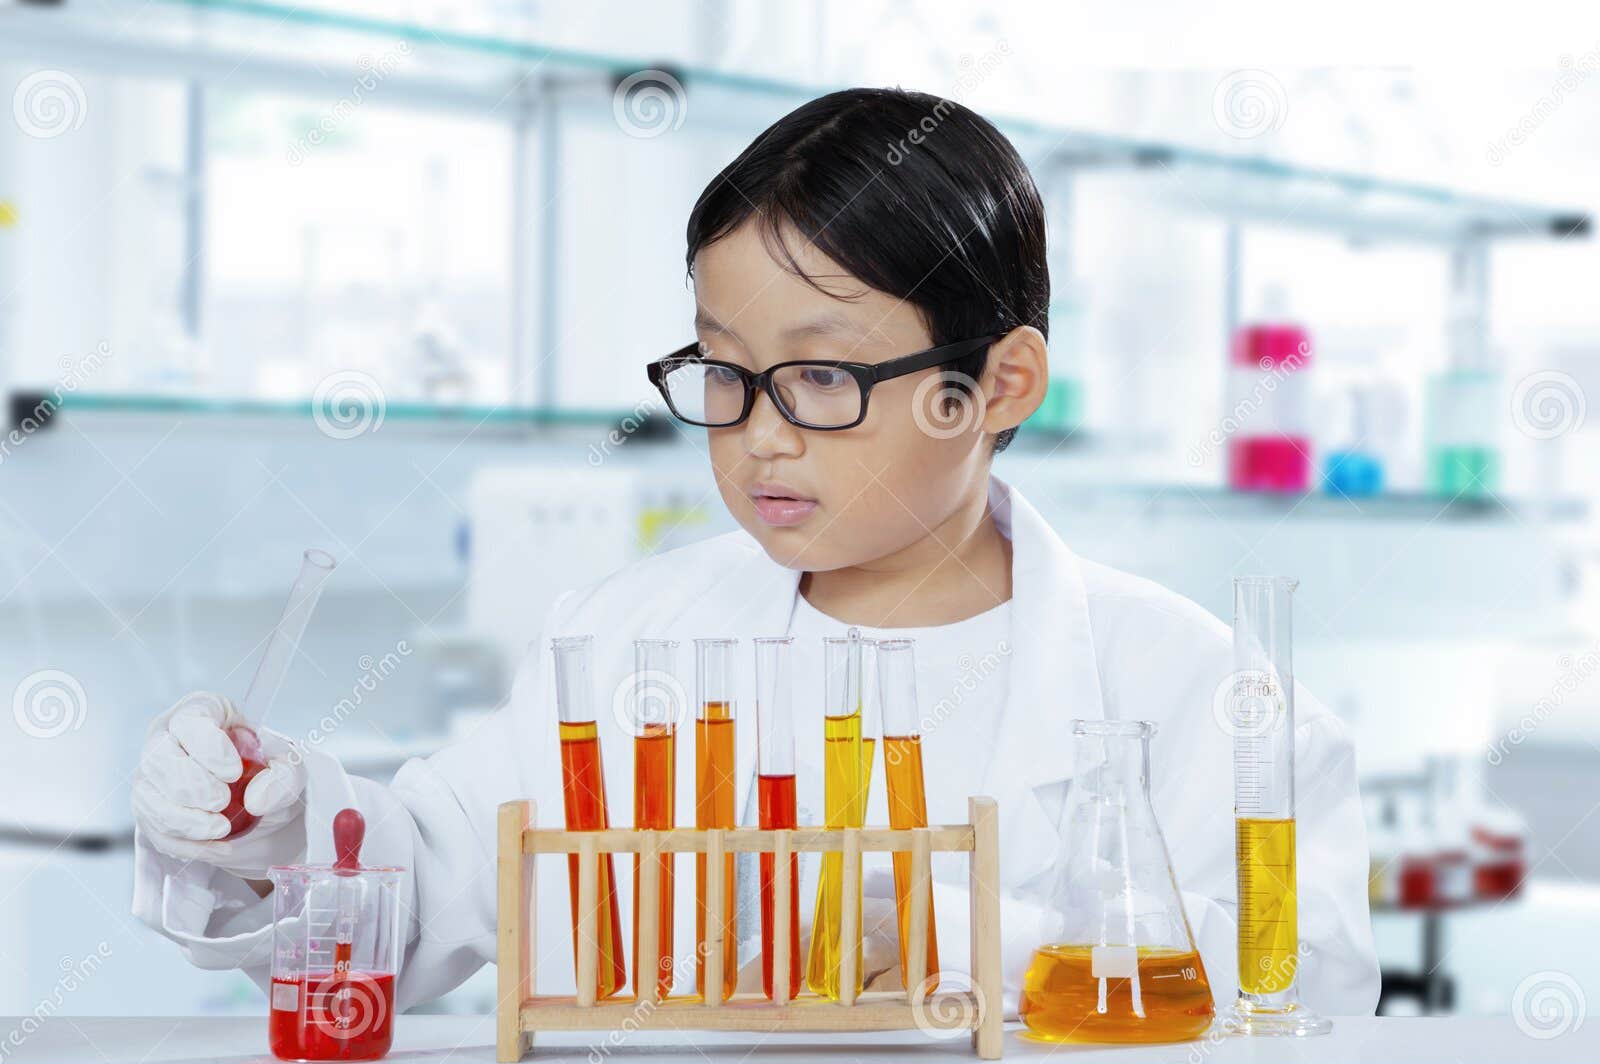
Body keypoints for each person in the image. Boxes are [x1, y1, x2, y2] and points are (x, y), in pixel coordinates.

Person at [132, 88, 1379, 1015]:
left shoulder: (1201, 693)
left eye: (823, 375)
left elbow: (1308, 996)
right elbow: (416, 893)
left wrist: (961, 935)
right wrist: (274, 824)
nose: (760, 435)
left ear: (998, 383)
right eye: (725, 370)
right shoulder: (624, 638)